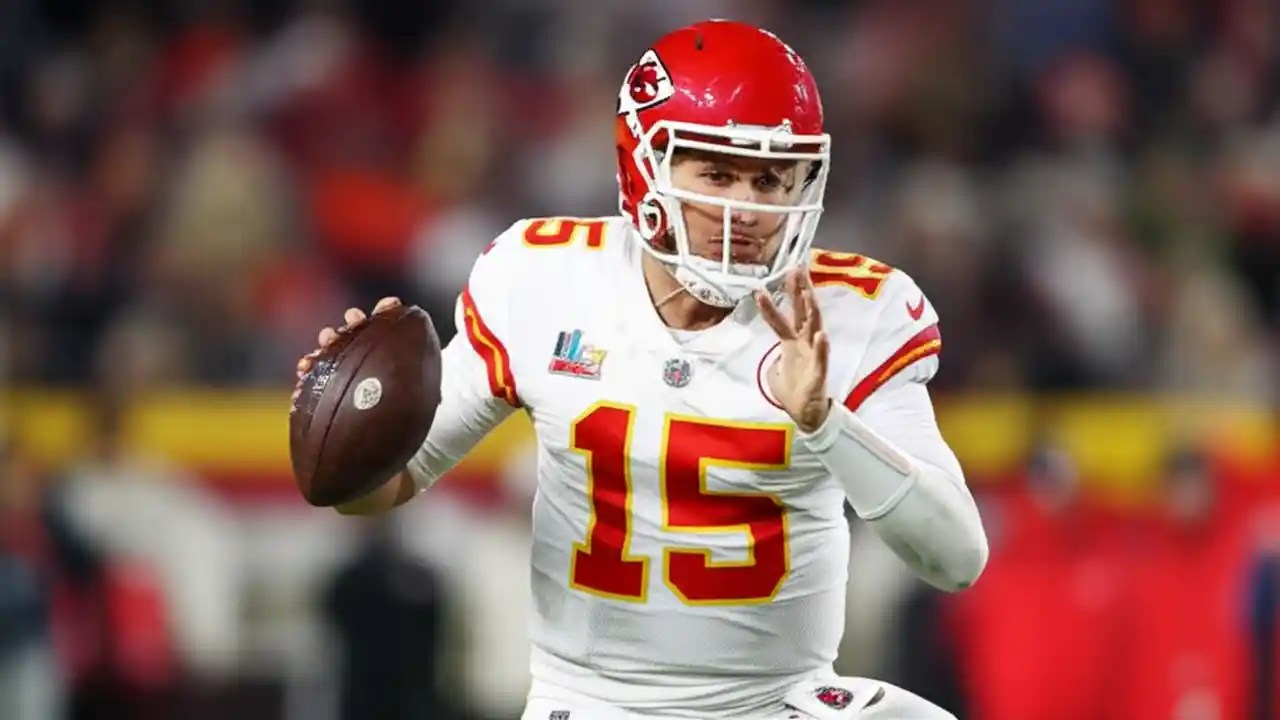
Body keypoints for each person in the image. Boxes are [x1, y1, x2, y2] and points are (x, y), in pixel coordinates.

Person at [295, 19, 987, 719]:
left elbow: (956, 559)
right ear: (643, 168)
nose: (746, 207)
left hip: (776, 701)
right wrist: (348, 420)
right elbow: (386, 487)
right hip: (598, 704)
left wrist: (824, 423)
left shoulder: (850, 311)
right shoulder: (545, 277)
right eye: (717, 172)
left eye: (772, 178)